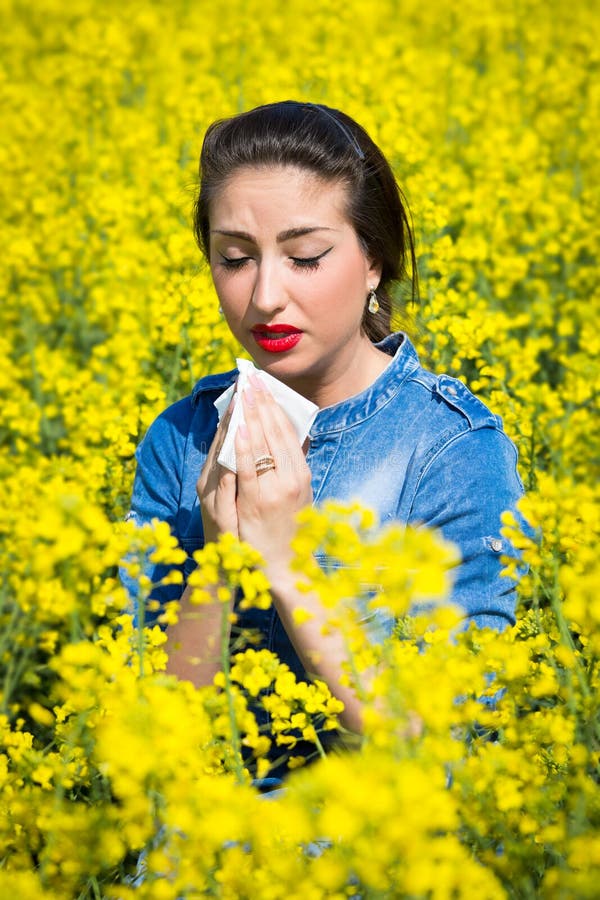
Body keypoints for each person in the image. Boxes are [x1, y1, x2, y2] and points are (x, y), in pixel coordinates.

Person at [124, 100, 525, 780]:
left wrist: (288, 567)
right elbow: (139, 751)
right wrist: (221, 566)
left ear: (374, 263)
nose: (265, 297)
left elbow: (449, 758)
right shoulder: (182, 437)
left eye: (306, 257)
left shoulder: (451, 450)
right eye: (234, 258)